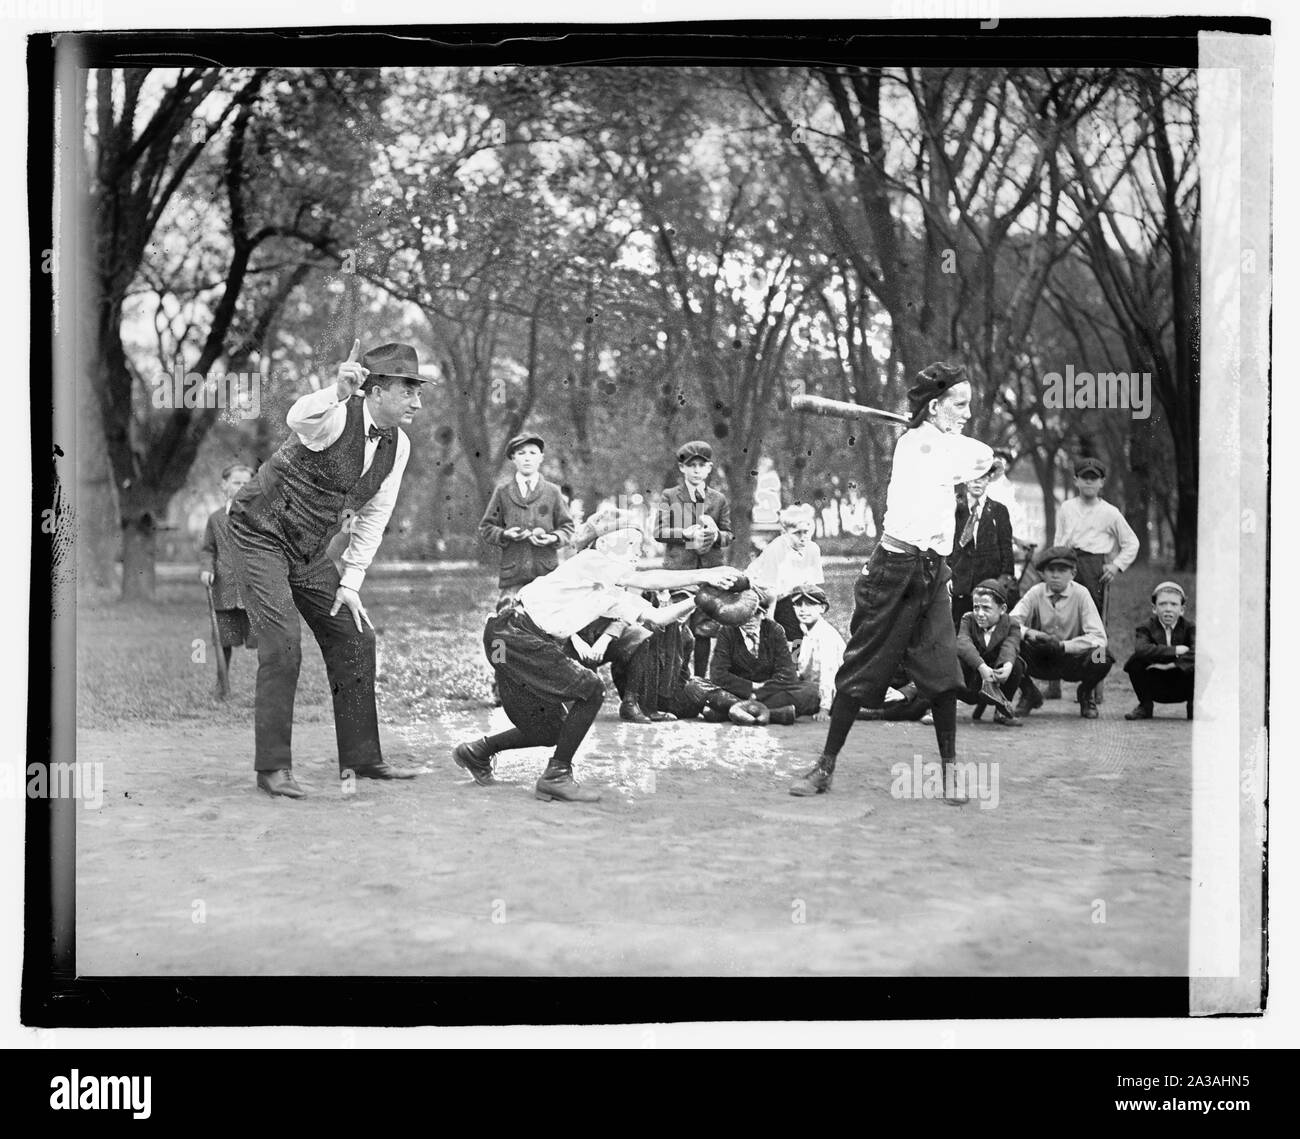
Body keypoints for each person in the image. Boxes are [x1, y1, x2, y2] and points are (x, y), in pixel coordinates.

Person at [228, 340, 430, 798]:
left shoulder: (398, 446)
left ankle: (362, 757)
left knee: (356, 635)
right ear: (374, 391)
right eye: (407, 390)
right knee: (282, 645)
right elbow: (298, 418)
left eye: (418, 391)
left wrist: (352, 583)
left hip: (308, 548)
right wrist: (336, 391)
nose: (417, 401)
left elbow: (376, 516)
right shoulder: (336, 414)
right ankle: (272, 769)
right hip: (259, 531)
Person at [789, 361, 996, 804]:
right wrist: (947, 437)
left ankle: (949, 770)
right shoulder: (917, 448)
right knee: (861, 671)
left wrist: (948, 432)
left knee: (942, 672)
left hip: (933, 573)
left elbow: (982, 458)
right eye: (959, 405)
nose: (966, 413)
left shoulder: (941, 443)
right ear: (936, 406)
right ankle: (825, 765)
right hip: (893, 571)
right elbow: (980, 457)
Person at [452, 513, 741, 802]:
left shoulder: (610, 592)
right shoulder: (589, 561)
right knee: (591, 689)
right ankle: (557, 775)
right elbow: (641, 578)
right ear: (603, 544)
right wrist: (704, 574)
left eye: (639, 546)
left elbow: (656, 617)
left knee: (550, 730)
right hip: (513, 635)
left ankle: (476, 751)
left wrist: (702, 598)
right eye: (630, 543)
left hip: (507, 643)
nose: (638, 552)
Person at [1053, 456, 1139, 705]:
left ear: (1102, 482)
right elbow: (1060, 539)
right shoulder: (1067, 508)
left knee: (1096, 627)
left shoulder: (1110, 512)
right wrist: (1056, 565)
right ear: (1076, 480)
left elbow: (1131, 543)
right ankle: (1053, 683)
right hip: (1068, 562)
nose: (1089, 483)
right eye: (1084, 478)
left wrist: (1116, 565)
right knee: (1061, 618)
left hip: (1094, 568)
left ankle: (1094, 687)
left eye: (1094, 479)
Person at [654, 439, 734, 677]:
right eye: (691, 466)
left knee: (704, 631)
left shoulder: (718, 499)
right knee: (679, 629)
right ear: (682, 469)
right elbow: (659, 532)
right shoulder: (670, 496)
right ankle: (678, 680)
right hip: (679, 573)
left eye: (702, 465)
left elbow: (729, 535)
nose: (697, 470)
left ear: (709, 468)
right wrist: (684, 534)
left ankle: (700, 681)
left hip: (709, 572)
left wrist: (716, 535)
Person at [1009, 546, 1113, 719]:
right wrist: (1030, 633)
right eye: (1050, 570)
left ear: (1073, 573)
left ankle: (1086, 694)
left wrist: (1065, 646)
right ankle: (1028, 693)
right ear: (1043, 573)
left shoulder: (1081, 594)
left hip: (1072, 659)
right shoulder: (1036, 592)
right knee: (1009, 644)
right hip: (1042, 657)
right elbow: (1009, 623)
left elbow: (1099, 638)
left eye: (1062, 570)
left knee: (1102, 655)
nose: (1055, 575)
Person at [478, 432, 575, 603]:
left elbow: (567, 527)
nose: (527, 458)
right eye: (521, 453)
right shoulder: (503, 491)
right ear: (513, 458)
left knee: (546, 619)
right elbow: (486, 527)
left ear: (541, 458)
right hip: (514, 573)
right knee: (508, 617)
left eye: (532, 453)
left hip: (545, 572)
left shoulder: (553, 491)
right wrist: (505, 534)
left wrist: (553, 537)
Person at [199, 463, 258, 696]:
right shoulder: (215, 519)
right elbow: (207, 549)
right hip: (225, 589)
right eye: (237, 482)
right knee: (223, 640)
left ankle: (267, 688)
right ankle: (222, 685)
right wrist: (206, 568)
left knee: (264, 640)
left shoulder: (262, 516)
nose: (242, 487)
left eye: (247, 483)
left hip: (255, 591)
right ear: (224, 486)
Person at [705, 609, 821, 725]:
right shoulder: (727, 630)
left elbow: (788, 673)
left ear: (764, 614)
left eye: (755, 614)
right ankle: (774, 714)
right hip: (737, 691)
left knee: (812, 691)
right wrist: (750, 687)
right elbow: (717, 674)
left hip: (769, 692)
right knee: (696, 686)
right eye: (744, 614)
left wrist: (758, 694)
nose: (749, 620)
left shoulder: (774, 629)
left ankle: (731, 711)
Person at [949, 455, 1016, 631]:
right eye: (974, 477)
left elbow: (1006, 548)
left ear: (989, 480)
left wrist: (1003, 579)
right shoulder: (953, 509)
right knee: (956, 627)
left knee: (984, 629)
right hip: (958, 582)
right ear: (965, 479)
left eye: (984, 477)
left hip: (987, 582)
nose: (978, 482)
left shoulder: (998, 511)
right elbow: (944, 544)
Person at [746, 502, 825, 647]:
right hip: (763, 594)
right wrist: (770, 624)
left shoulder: (813, 549)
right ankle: (785, 661)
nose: (803, 537)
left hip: (789, 594)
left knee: (804, 630)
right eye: (796, 533)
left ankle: (796, 663)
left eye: (806, 532)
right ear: (784, 533)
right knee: (785, 630)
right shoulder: (776, 549)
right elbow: (770, 592)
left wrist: (811, 615)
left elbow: (811, 588)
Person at [954, 579, 1024, 726]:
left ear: (1002, 609)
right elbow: (963, 643)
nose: (979, 613)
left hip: (996, 683)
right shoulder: (968, 619)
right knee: (954, 660)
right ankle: (946, 707)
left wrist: (1007, 666)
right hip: (971, 682)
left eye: (986, 608)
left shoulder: (1012, 624)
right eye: (976, 607)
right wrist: (981, 667)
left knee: (1017, 664)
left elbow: (1010, 646)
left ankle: (1001, 711)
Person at [1124, 581, 1196, 720]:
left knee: (1204, 661)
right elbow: (1141, 649)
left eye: (1174, 604)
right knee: (1135, 661)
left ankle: (1194, 705)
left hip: (1182, 681)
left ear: (1182, 609)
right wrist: (1175, 650)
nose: (1168, 609)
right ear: (1154, 608)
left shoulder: (1190, 627)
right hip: (1156, 682)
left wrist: (1171, 665)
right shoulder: (1145, 627)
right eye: (1162, 604)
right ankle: (1145, 706)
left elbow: (1199, 651)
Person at [789, 584, 844, 722]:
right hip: (810, 687)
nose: (803, 610)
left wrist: (824, 709)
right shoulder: (804, 631)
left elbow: (828, 673)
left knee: (782, 697)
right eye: (798, 605)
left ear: (822, 608)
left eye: (809, 605)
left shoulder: (826, 635)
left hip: (832, 694)